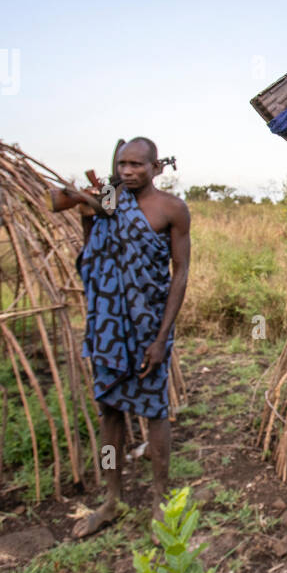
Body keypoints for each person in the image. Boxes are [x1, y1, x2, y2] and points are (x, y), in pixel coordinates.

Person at [55, 138, 190, 538]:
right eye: (122, 164)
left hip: (149, 325)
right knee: (110, 411)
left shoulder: (171, 209)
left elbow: (179, 272)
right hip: (107, 326)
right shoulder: (107, 203)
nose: (129, 171)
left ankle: (160, 500)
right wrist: (86, 209)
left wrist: (161, 337)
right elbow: (92, 256)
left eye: (137, 164)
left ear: (154, 167)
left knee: (153, 411)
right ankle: (112, 499)